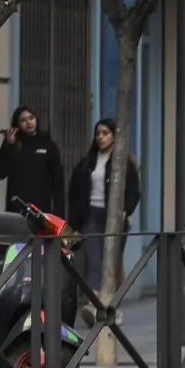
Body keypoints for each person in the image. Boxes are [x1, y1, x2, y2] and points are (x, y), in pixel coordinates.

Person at [69, 119, 142, 290]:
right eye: (98, 134)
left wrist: (125, 210)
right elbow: (75, 194)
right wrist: (75, 224)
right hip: (91, 217)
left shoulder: (124, 163)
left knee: (113, 265)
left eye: (105, 133)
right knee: (93, 262)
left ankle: (112, 305)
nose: (101, 137)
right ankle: (94, 304)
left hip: (114, 217)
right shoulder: (87, 163)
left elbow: (133, 191)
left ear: (114, 137)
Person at [0, 105, 64, 216]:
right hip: (17, 209)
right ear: (17, 125)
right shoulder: (14, 144)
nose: (29, 122)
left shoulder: (48, 144)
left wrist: (59, 212)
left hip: (41, 209)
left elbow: (58, 182)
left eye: (31, 118)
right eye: (23, 120)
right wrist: (8, 145)